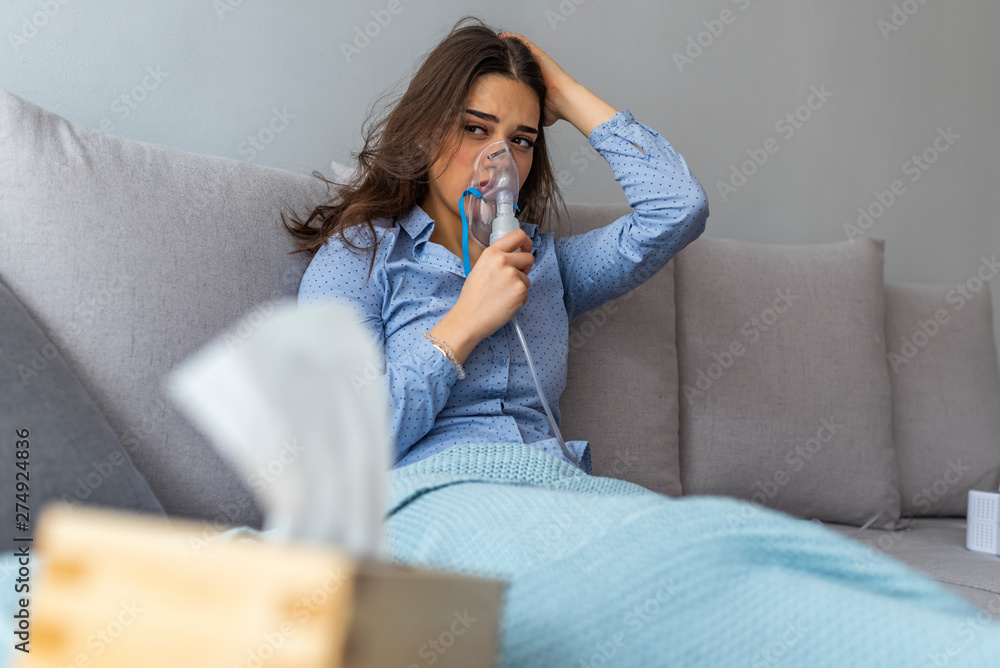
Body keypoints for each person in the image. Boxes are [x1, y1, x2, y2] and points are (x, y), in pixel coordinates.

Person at [284, 16, 1000, 668]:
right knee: (679, 594)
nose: (499, 158)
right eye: (475, 128)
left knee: (738, 543)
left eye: (522, 139)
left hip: (566, 493)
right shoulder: (361, 258)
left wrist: (562, 90)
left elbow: (677, 208)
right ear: (424, 131)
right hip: (435, 502)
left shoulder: (547, 266)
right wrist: (460, 325)